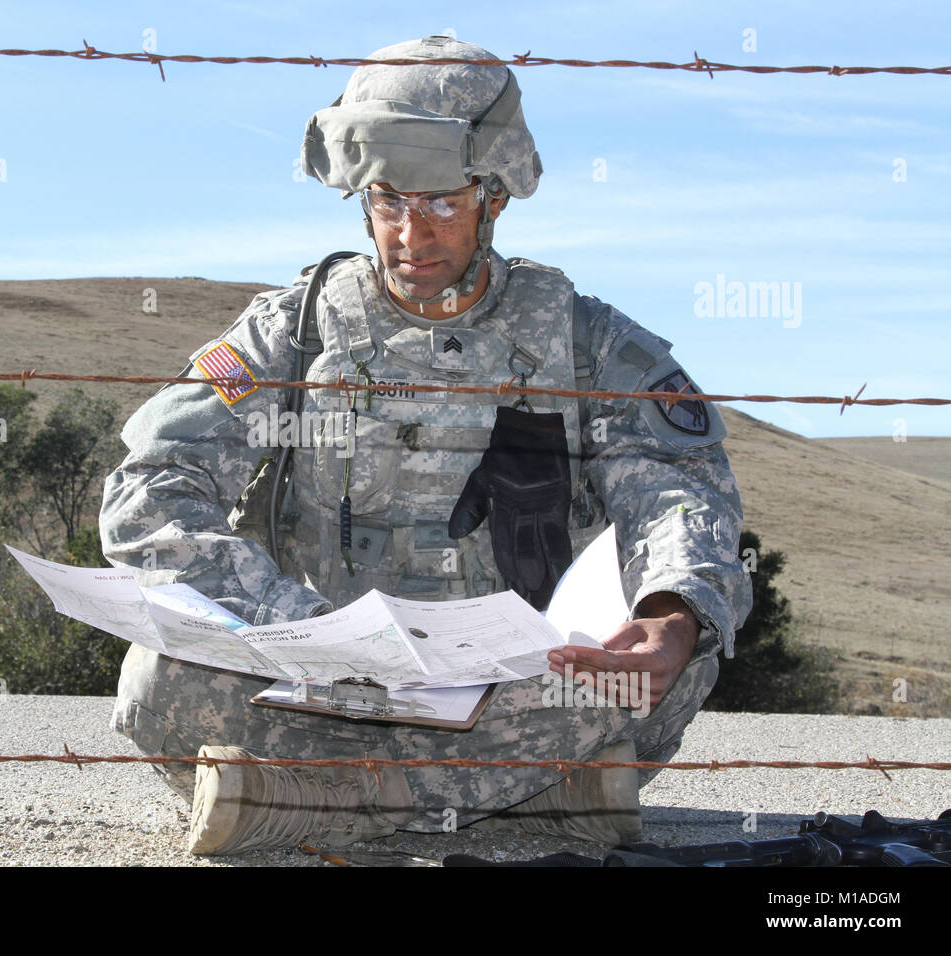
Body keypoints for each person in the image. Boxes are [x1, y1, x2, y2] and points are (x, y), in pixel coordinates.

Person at [99, 35, 752, 856]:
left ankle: (304, 802)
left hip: (521, 682)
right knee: (162, 678)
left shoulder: (581, 342)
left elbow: (678, 487)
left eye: (443, 201)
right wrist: (286, 620)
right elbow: (152, 485)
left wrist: (672, 610)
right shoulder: (291, 334)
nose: (413, 232)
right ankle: (540, 799)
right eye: (387, 200)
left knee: (671, 664)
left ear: (495, 195)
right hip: (319, 677)